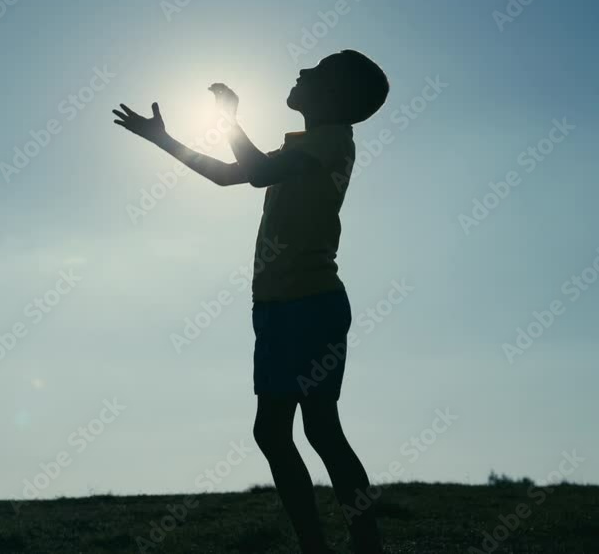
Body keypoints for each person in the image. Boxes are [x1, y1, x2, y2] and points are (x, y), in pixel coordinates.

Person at [112, 50, 390, 554]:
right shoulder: (306, 145)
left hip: (311, 303)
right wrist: (163, 139)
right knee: (277, 432)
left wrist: (229, 119)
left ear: (336, 95)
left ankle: (359, 544)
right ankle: (320, 546)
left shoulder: (330, 142)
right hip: (279, 306)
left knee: (319, 431)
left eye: (318, 71)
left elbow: (255, 171)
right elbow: (228, 175)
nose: (303, 71)